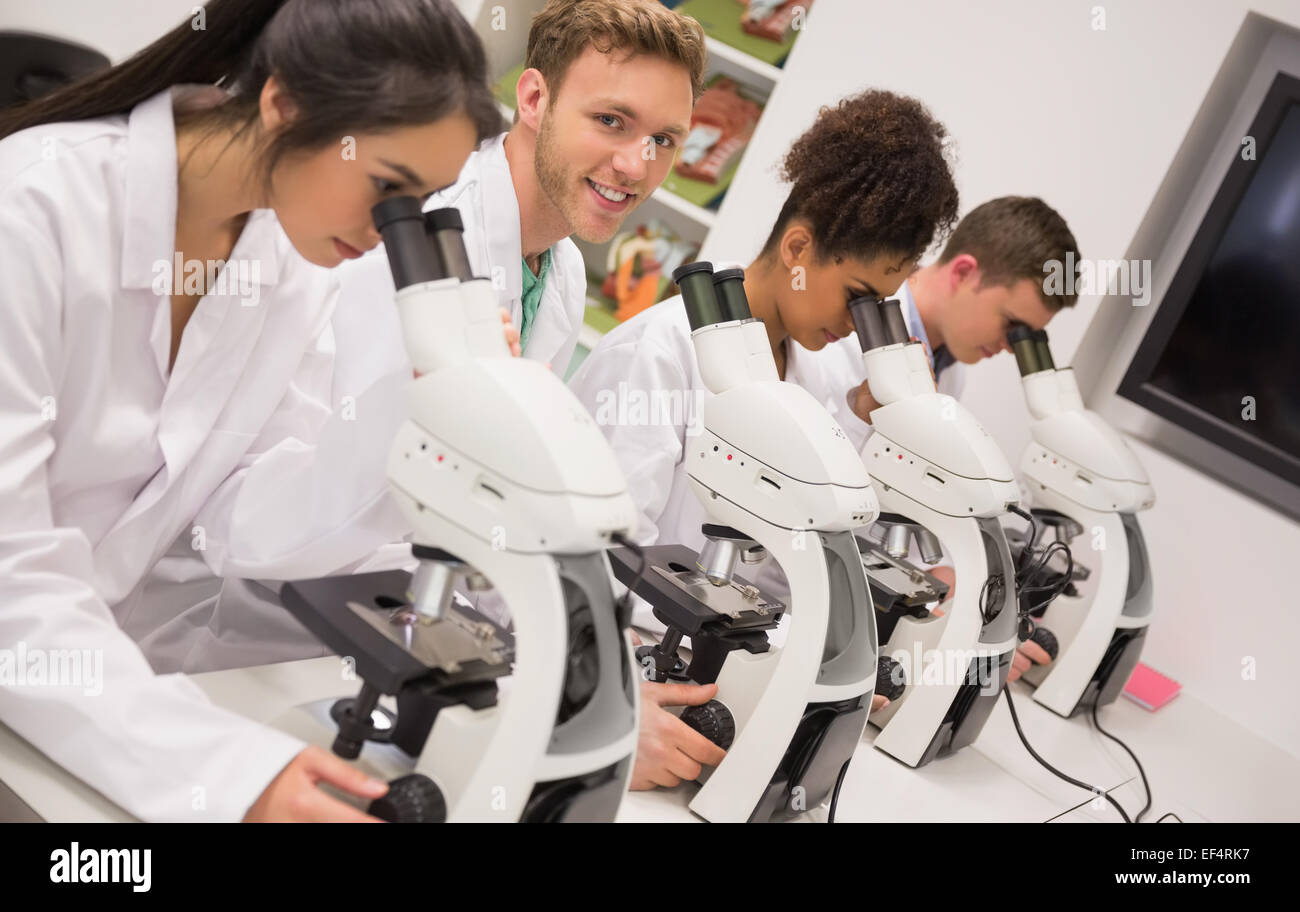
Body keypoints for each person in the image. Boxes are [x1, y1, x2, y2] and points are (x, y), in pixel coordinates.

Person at [0, 0, 502, 822]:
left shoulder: (291, 267)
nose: (389, 230)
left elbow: (238, 524)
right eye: (386, 188)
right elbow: (9, 572)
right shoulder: (34, 204)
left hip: (78, 698)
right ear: (285, 103)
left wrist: (403, 405)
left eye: (417, 204)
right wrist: (229, 775)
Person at [567, 89, 961, 790]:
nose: (858, 322)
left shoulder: (813, 372)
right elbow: (585, 578)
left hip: (722, 692)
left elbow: (784, 568)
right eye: (856, 294)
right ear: (799, 247)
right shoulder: (658, 356)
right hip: (635, 696)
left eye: (880, 304)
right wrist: (612, 714)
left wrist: (805, 671)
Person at [332, 0, 707, 390]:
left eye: (662, 140)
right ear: (533, 101)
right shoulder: (419, 235)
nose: (636, 167)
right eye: (610, 120)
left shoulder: (566, 272)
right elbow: (341, 432)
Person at [845, 195, 1083, 681]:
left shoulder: (949, 374)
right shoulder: (848, 339)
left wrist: (960, 598)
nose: (1007, 348)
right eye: (1012, 325)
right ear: (964, 273)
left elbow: (900, 514)